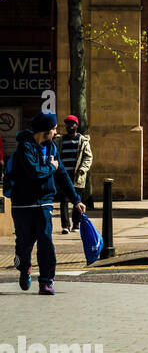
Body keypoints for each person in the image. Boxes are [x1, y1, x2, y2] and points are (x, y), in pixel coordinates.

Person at [5, 113, 83, 295]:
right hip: (23, 205)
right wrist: (51, 167)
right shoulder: (25, 148)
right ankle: (24, 268)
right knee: (24, 246)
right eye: (54, 128)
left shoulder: (52, 148)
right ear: (45, 130)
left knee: (46, 242)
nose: (56, 131)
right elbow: (34, 172)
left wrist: (76, 200)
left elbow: (62, 175)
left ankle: (46, 282)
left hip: (45, 203)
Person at [58, 115, 93, 234]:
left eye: (72, 123)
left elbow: (88, 157)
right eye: (68, 123)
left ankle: (76, 224)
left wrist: (83, 169)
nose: (70, 126)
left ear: (76, 125)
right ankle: (65, 226)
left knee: (77, 200)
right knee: (63, 201)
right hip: (64, 175)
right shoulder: (60, 140)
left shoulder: (82, 141)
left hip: (77, 175)